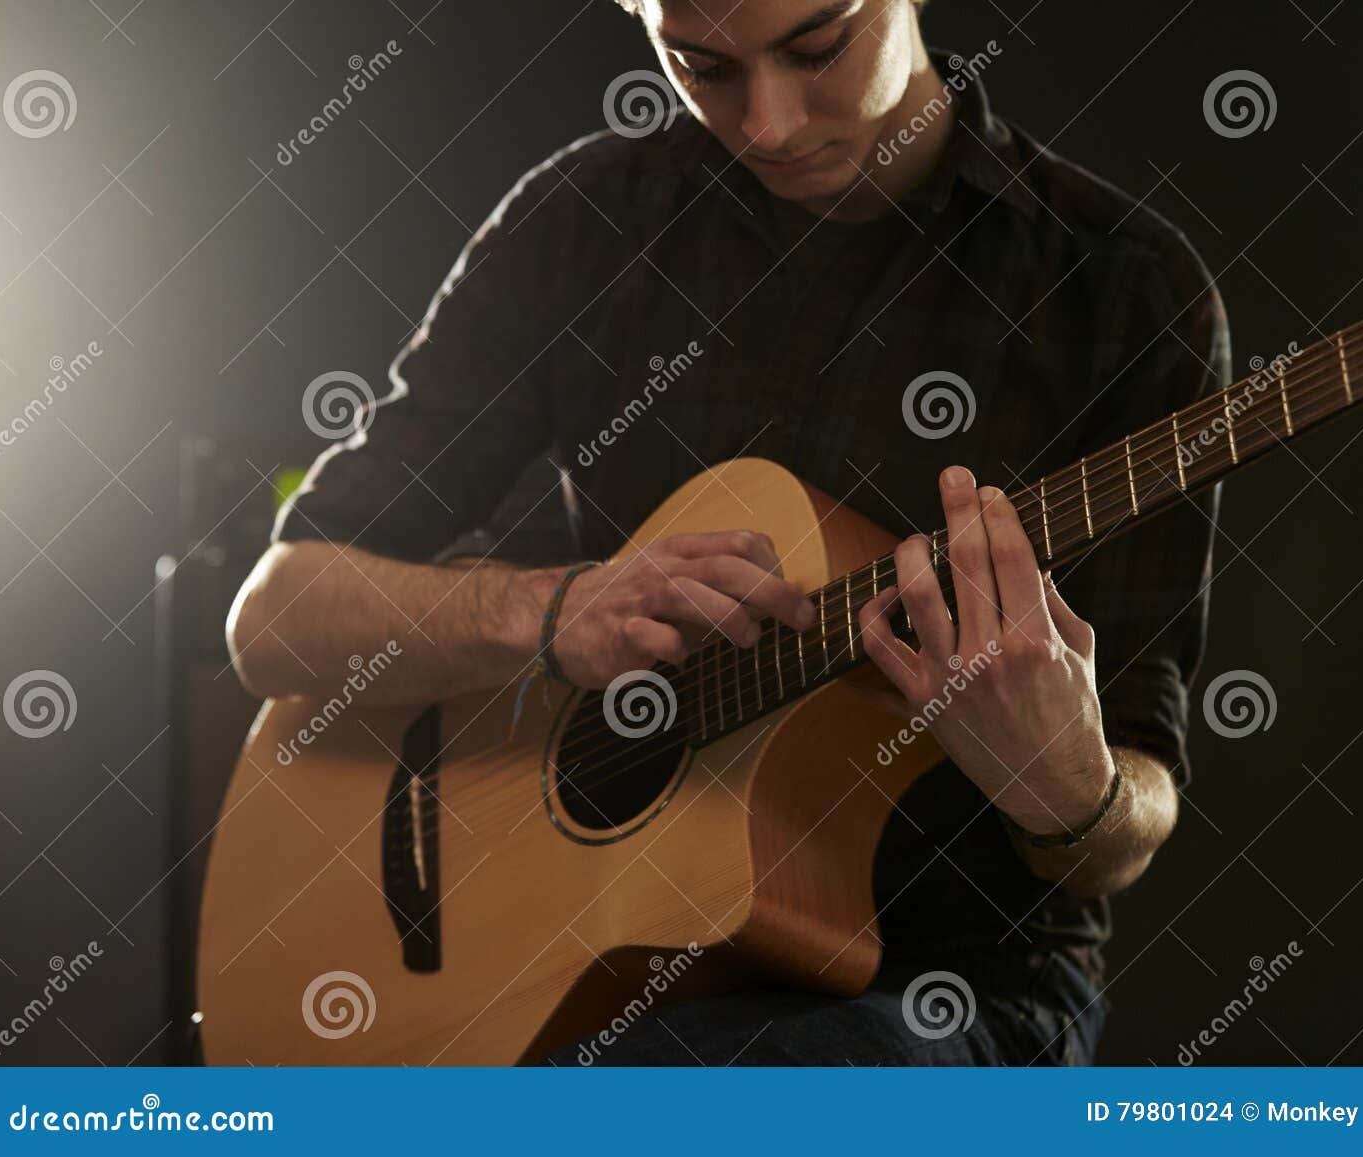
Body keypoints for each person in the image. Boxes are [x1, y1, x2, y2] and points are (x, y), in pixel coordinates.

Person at [227, 0, 1230, 1065]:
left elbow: (1131, 816)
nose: (768, 123)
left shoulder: (1122, 287)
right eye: (699, 65)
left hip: (957, 976)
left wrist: (1068, 785)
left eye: (816, 47)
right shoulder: (585, 222)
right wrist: (549, 610)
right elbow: (276, 613)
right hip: (598, 954)